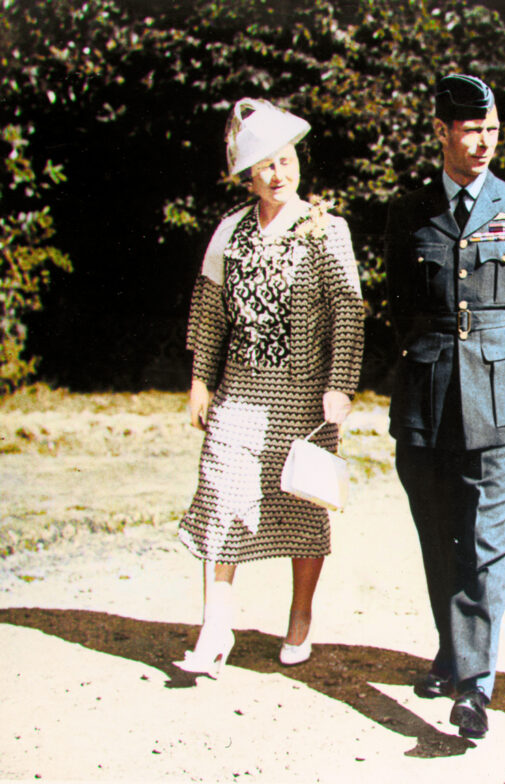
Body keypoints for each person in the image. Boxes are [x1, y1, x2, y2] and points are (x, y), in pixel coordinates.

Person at [384, 74, 505, 739]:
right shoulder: (410, 211)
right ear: (441, 132)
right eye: (470, 129)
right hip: (426, 393)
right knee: (438, 532)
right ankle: (455, 650)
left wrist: (500, 364)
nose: (483, 142)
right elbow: (400, 304)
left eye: (492, 129)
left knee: (486, 538)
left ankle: (474, 686)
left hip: (500, 394)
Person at [177, 98, 364, 676]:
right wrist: (200, 380)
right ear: (248, 176)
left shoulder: (327, 229)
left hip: (305, 396)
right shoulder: (230, 231)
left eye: (286, 162)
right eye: (265, 167)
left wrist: (340, 385)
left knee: (302, 507)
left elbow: (347, 310)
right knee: (220, 497)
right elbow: (211, 309)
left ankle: (300, 615)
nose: (278, 175)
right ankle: (215, 629)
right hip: (240, 390)